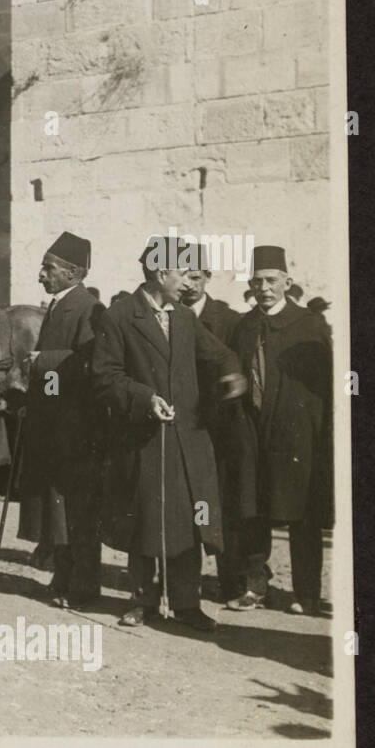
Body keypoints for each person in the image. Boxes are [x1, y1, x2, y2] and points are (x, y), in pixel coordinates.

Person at [91, 237, 245, 633]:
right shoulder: (119, 316)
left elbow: (218, 353)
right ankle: (142, 601)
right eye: (182, 274)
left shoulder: (183, 316)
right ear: (161, 273)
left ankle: (186, 604)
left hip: (187, 440)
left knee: (187, 524)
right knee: (145, 519)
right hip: (144, 438)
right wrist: (145, 398)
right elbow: (104, 377)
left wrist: (232, 372)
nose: (189, 283)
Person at [229, 246, 333, 615]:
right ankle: (255, 586)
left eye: (271, 281)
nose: (264, 288)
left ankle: (306, 594)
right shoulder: (244, 327)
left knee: (301, 515)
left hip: (296, 435)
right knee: (252, 510)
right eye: (256, 281)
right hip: (254, 433)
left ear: (287, 282)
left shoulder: (309, 324)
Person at [17, 232, 105, 607]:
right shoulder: (57, 306)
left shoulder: (88, 308)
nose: (41, 274)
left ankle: (84, 586)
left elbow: (89, 363)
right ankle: (63, 576)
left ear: (74, 272)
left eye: (49, 268)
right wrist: (37, 398)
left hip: (76, 428)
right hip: (54, 422)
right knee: (58, 507)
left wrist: (43, 363)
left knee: (79, 509)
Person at [180, 268, 258, 608]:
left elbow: (240, 367)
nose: (189, 285)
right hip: (183, 424)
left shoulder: (228, 319)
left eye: (196, 277)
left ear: (207, 278)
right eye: (183, 277)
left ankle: (231, 583)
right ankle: (185, 584)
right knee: (185, 504)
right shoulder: (167, 315)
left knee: (224, 505)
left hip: (221, 429)